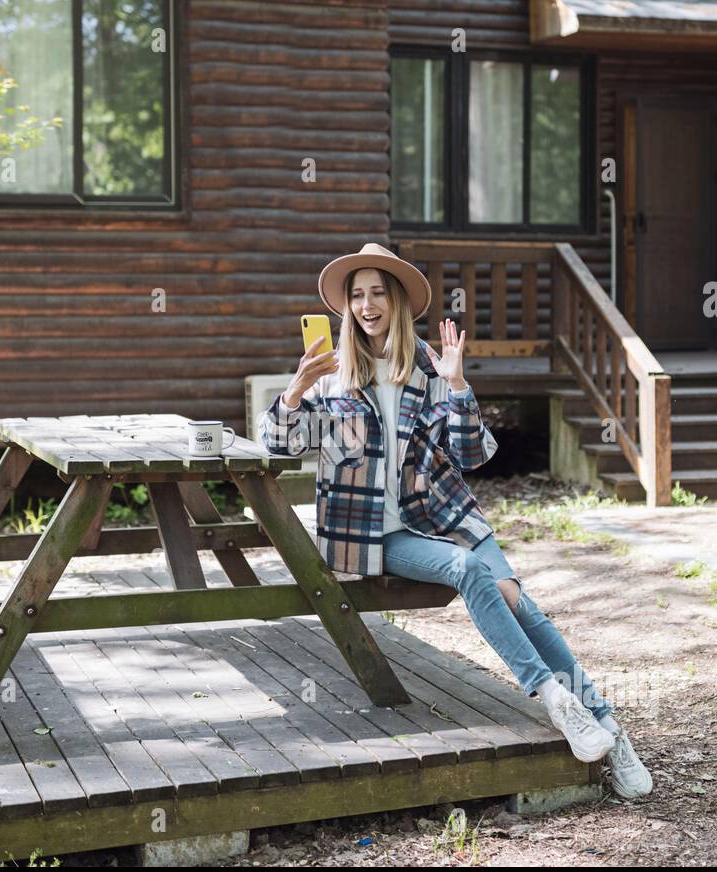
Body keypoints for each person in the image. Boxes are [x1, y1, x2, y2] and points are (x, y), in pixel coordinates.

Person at [258, 243, 653, 798]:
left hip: (446, 515)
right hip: (378, 535)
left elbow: (473, 455)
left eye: (378, 293)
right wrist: (295, 390)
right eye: (358, 295)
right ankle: (557, 701)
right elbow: (276, 445)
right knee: (470, 571)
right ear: (347, 307)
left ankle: (608, 725)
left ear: (396, 302)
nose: (368, 305)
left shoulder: (429, 367)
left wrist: (460, 387)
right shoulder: (332, 377)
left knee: (517, 600)